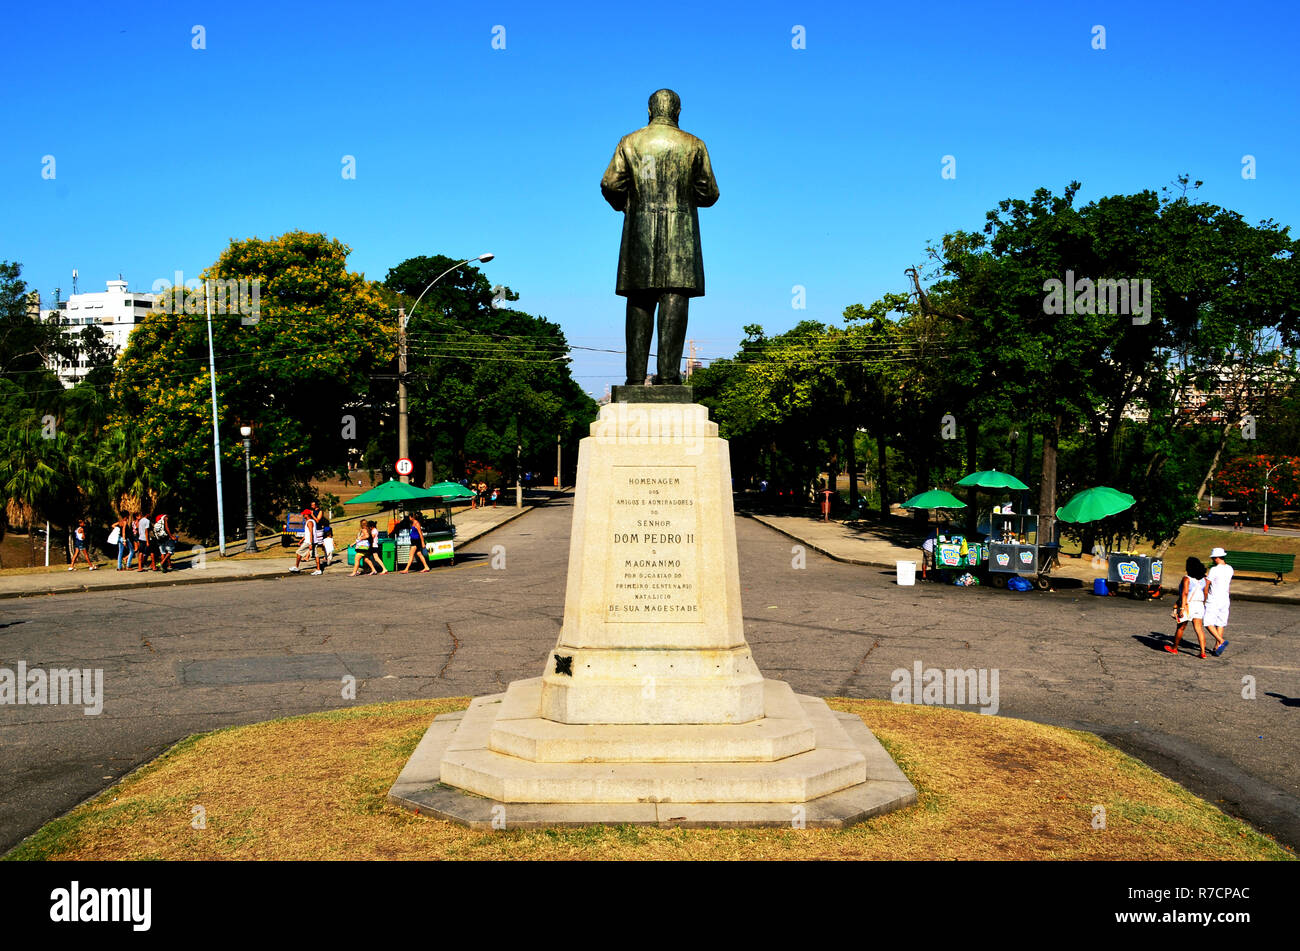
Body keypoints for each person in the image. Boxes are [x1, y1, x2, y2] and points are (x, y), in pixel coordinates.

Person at [601, 88, 719, 385]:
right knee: (674, 300)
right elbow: (709, 193)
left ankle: (635, 379)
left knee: (639, 301)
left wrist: (629, 206)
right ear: (677, 112)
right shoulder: (694, 144)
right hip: (681, 236)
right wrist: (684, 198)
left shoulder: (629, 142)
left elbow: (610, 184)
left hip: (639, 234)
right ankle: (669, 378)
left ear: (650, 111)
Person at [1166, 557, 1209, 658]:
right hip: (1199, 604)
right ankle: (1202, 652)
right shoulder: (1204, 579)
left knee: (1181, 627)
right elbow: (1205, 592)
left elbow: (1185, 593)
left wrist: (1182, 608)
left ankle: (1175, 648)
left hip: (1188, 604)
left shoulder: (1187, 578)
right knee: (1199, 628)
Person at [1205, 547, 1233, 655]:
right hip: (1225, 597)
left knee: (1207, 622)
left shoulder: (1214, 569)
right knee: (1220, 623)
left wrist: (1205, 597)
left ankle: (1221, 640)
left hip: (1214, 598)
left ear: (1216, 558)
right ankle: (1217, 646)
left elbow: (1207, 585)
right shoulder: (1230, 568)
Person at [291, 508, 323, 575]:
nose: (303, 515)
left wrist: (310, 543)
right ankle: (318, 569)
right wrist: (301, 540)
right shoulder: (311, 521)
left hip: (309, 542)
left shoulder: (309, 522)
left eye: (304, 514)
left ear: (307, 515)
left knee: (299, 552)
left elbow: (311, 533)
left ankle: (296, 567)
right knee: (315, 555)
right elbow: (308, 533)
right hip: (311, 541)